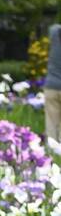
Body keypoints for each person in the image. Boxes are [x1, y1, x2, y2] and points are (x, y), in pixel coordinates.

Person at [45, 19, 61, 149]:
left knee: (51, 123)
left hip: (51, 86)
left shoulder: (55, 33)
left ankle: (52, 154)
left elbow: (54, 26)